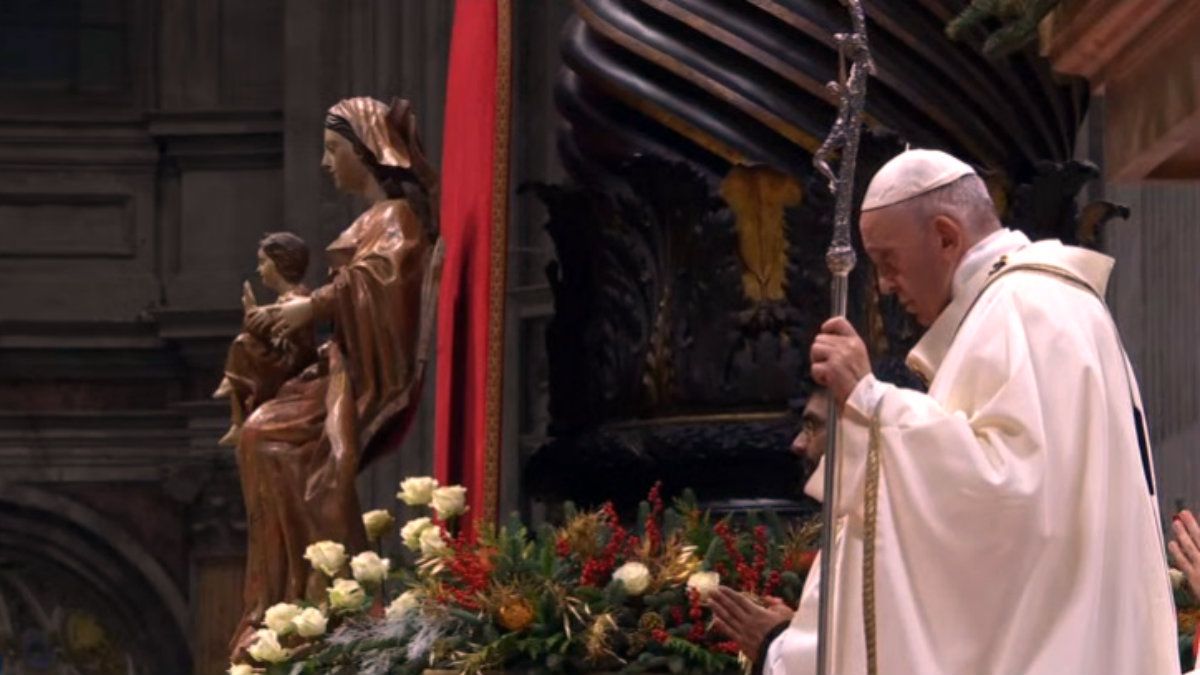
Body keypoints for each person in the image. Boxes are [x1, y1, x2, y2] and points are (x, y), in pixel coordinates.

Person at [712, 149, 1178, 674]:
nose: (885, 285)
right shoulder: (1034, 303)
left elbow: (1007, 500)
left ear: (945, 237)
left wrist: (871, 401)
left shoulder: (1025, 307)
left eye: (888, 262)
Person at [228, 96, 440, 659]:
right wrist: (287, 320)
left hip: (361, 370)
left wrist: (314, 306)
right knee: (261, 435)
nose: (326, 163)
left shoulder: (396, 218)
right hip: (339, 361)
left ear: (365, 151)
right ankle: (285, 598)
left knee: (277, 442)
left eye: (332, 149)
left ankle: (321, 594)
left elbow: (382, 283)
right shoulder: (372, 220)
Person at [213, 232, 316, 447]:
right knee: (245, 343)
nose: (258, 269)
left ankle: (235, 398)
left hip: (292, 365)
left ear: (281, 262)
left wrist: (255, 317)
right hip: (283, 358)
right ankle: (236, 410)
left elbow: (288, 335)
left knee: (243, 344)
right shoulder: (284, 299)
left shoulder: (297, 298)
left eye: (263, 262)